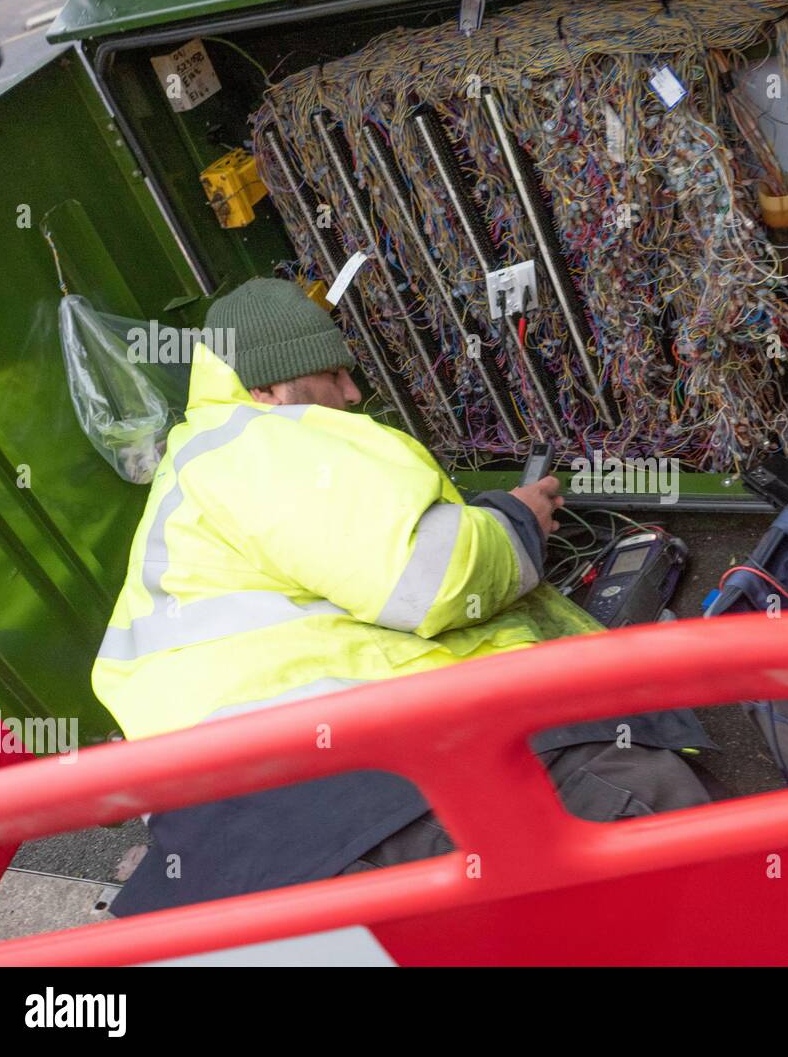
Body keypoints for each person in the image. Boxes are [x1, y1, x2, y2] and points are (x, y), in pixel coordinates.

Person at [96, 278, 710, 915]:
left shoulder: (196, 470)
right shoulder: (262, 441)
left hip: (233, 842)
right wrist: (516, 520)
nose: (353, 393)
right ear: (270, 388)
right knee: (662, 827)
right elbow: (429, 581)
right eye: (333, 375)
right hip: (362, 788)